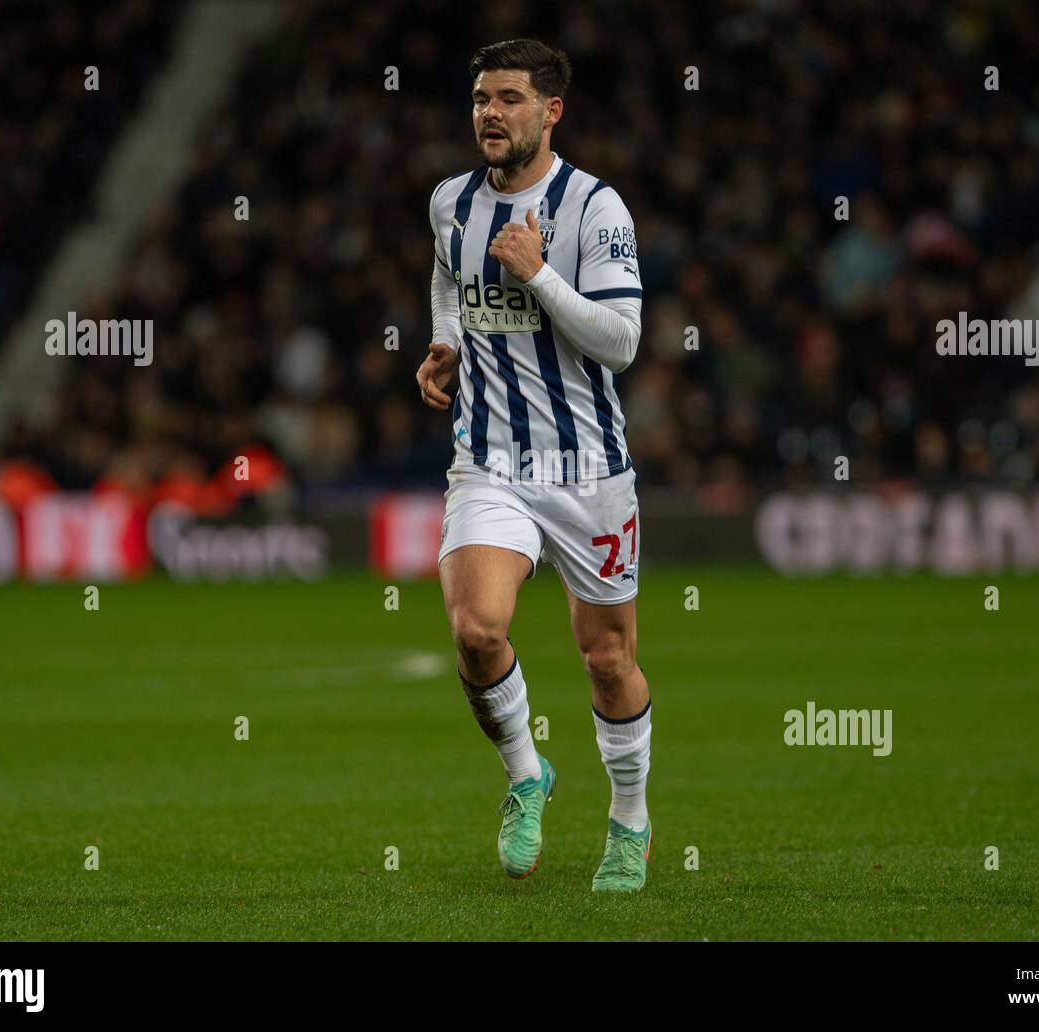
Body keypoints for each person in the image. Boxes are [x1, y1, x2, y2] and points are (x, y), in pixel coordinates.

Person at [415, 38, 652, 892]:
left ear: (551, 111)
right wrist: (444, 341)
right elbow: (448, 278)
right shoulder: (450, 201)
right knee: (477, 630)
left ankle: (629, 821)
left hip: (590, 469)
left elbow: (621, 342)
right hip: (490, 461)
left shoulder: (596, 208)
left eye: (510, 98)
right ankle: (526, 773)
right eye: (482, 97)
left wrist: (542, 274)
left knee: (606, 659)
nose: (490, 113)